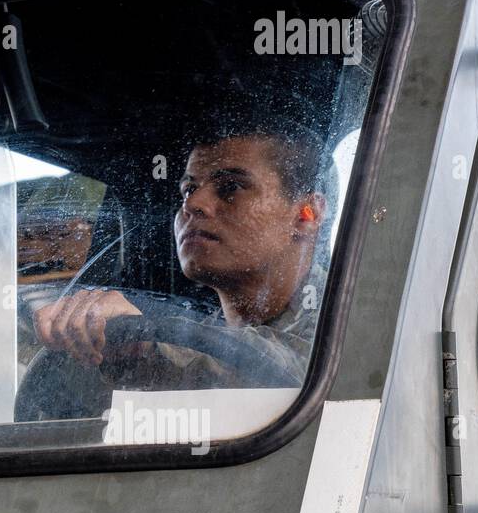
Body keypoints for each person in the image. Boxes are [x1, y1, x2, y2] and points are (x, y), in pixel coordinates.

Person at [30, 120, 329, 395]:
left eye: (231, 187)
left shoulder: (348, 317)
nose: (193, 203)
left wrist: (151, 334)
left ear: (308, 215)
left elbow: (302, 378)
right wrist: (118, 350)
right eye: (189, 189)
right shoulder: (200, 339)